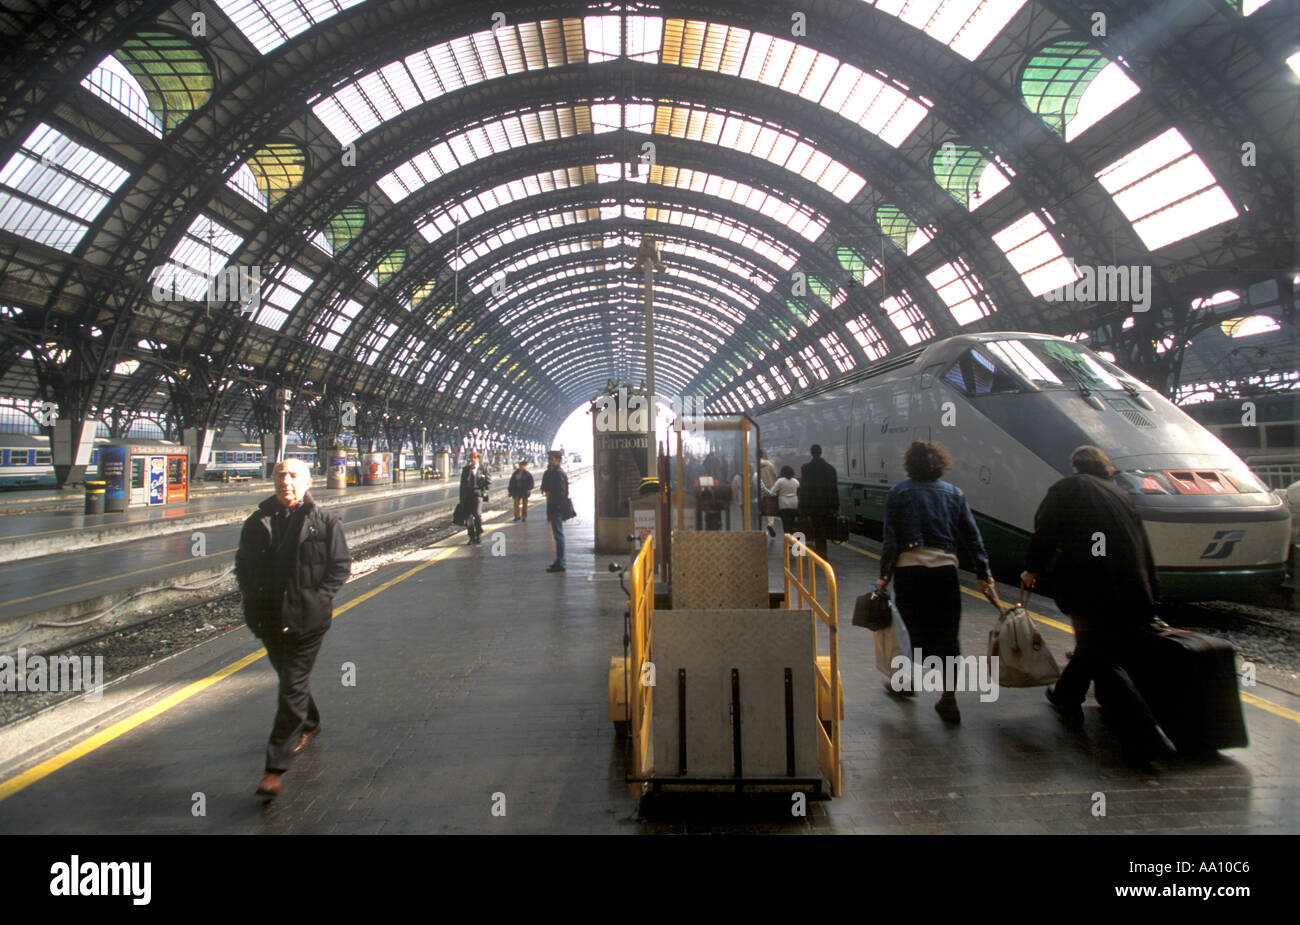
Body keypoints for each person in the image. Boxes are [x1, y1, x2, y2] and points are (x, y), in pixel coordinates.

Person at [1022, 445, 1165, 765]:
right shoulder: (1121, 495)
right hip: (1131, 587)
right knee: (1095, 647)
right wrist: (1153, 592)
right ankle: (1065, 697)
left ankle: (1145, 731)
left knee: (1096, 651)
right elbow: (1143, 546)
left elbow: (1046, 533)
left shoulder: (1067, 488)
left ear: (1075, 467)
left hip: (1090, 584)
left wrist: (1032, 569)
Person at [235, 458, 351, 798]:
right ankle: (310, 721)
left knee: (291, 684)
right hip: (267, 617)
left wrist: (319, 599)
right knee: (289, 678)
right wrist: (246, 593)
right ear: (272, 480)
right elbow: (243, 562)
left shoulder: (326, 522)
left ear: (307, 482)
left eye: (293, 476)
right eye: (280, 475)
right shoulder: (257, 521)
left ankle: (275, 767)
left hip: (307, 620)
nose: (286, 481)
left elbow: (340, 565)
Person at [878, 441, 994, 723]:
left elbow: (891, 540)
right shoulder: (955, 494)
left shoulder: (899, 492)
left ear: (910, 464)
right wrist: (984, 574)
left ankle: (906, 683)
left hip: (910, 572)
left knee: (908, 632)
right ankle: (948, 697)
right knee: (947, 634)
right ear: (941, 464)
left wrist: (884, 577)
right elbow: (972, 537)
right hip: (945, 572)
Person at [797, 444, 839, 559]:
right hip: (826, 505)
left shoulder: (806, 469)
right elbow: (834, 489)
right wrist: (835, 506)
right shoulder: (830, 469)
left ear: (811, 453)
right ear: (821, 452)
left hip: (812, 506)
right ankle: (822, 551)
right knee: (824, 528)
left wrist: (802, 508)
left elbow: (804, 489)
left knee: (816, 527)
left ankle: (819, 551)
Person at [541, 450, 569, 573]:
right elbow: (544, 486)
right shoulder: (551, 472)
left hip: (556, 507)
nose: (549, 461)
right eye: (549, 458)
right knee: (557, 535)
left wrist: (557, 505)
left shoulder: (558, 473)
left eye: (551, 459)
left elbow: (562, 492)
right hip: (552, 506)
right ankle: (558, 561)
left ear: (558, 460)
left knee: (558, 535)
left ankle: (561, 562)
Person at [459, 450, 490, 544]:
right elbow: (462, 485)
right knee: (468, 517)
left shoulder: (483, 469)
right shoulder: (466, 469)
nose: (472, 459)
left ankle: (478, 535)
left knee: (477, 515)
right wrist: (461, 498)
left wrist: (483, 490)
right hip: (467, 495)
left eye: (474, 457)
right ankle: (471, 537)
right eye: (471, 457)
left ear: (478, 458)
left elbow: (488, 481)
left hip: (477, 494)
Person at [771, 465, 800, 539]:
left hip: (784, 504)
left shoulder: (780, 481)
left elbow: (772, 491)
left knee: (786, 524)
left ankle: (788, 541)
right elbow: (799, 490)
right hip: (794, 503)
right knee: (792, 523)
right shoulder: (795, 481)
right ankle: (793, 540)